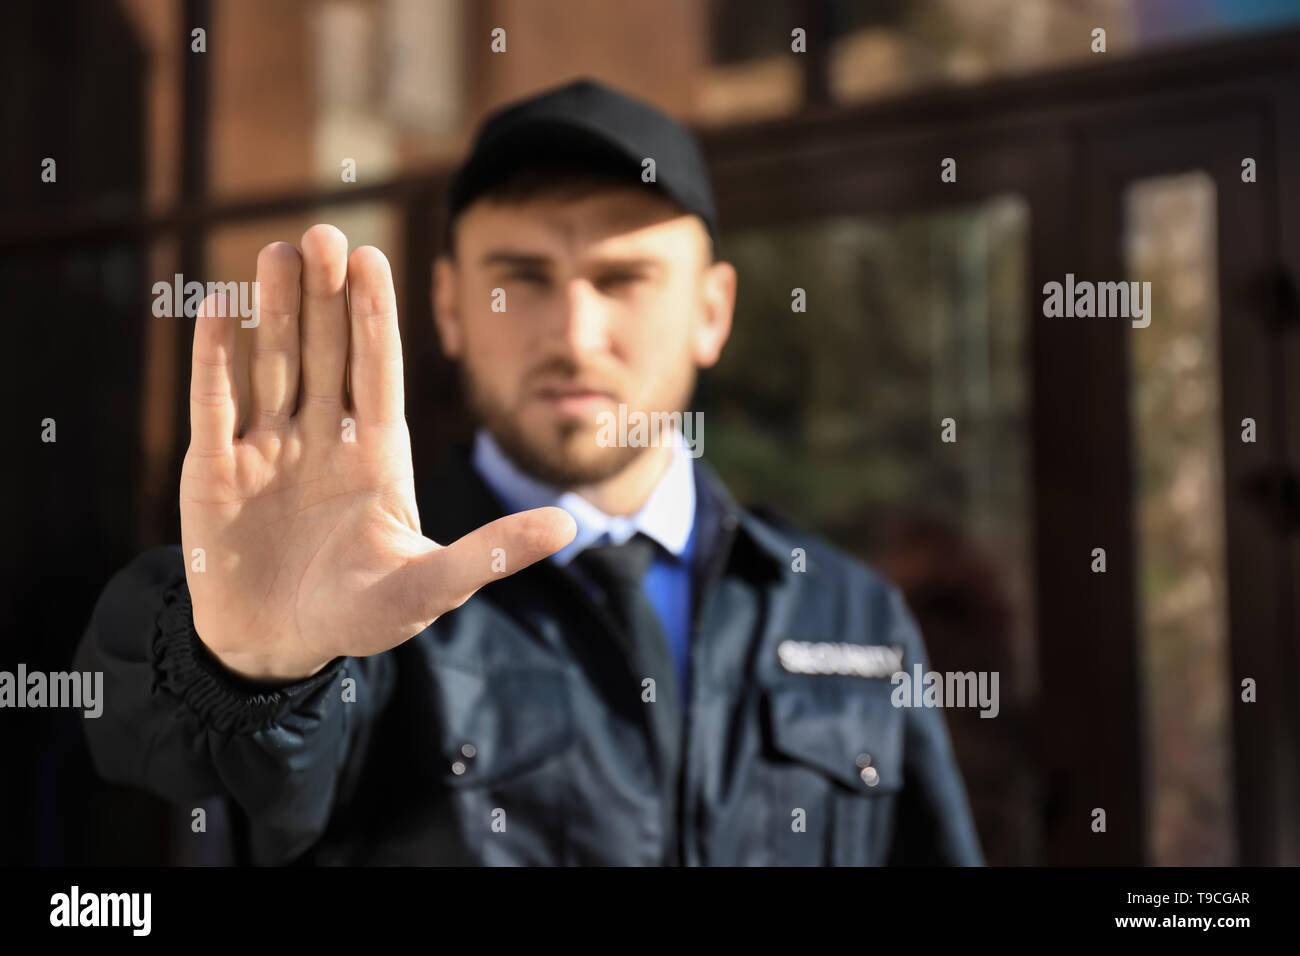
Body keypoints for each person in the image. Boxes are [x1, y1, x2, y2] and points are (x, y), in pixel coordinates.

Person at [75, 77, 983, 866]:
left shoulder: (850, 614)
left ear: (713, 312)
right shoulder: (363, 596)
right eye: (523, 278)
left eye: (623, 279)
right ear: (450, 306)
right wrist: (248, 675)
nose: (573, 337)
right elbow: (194, 761)